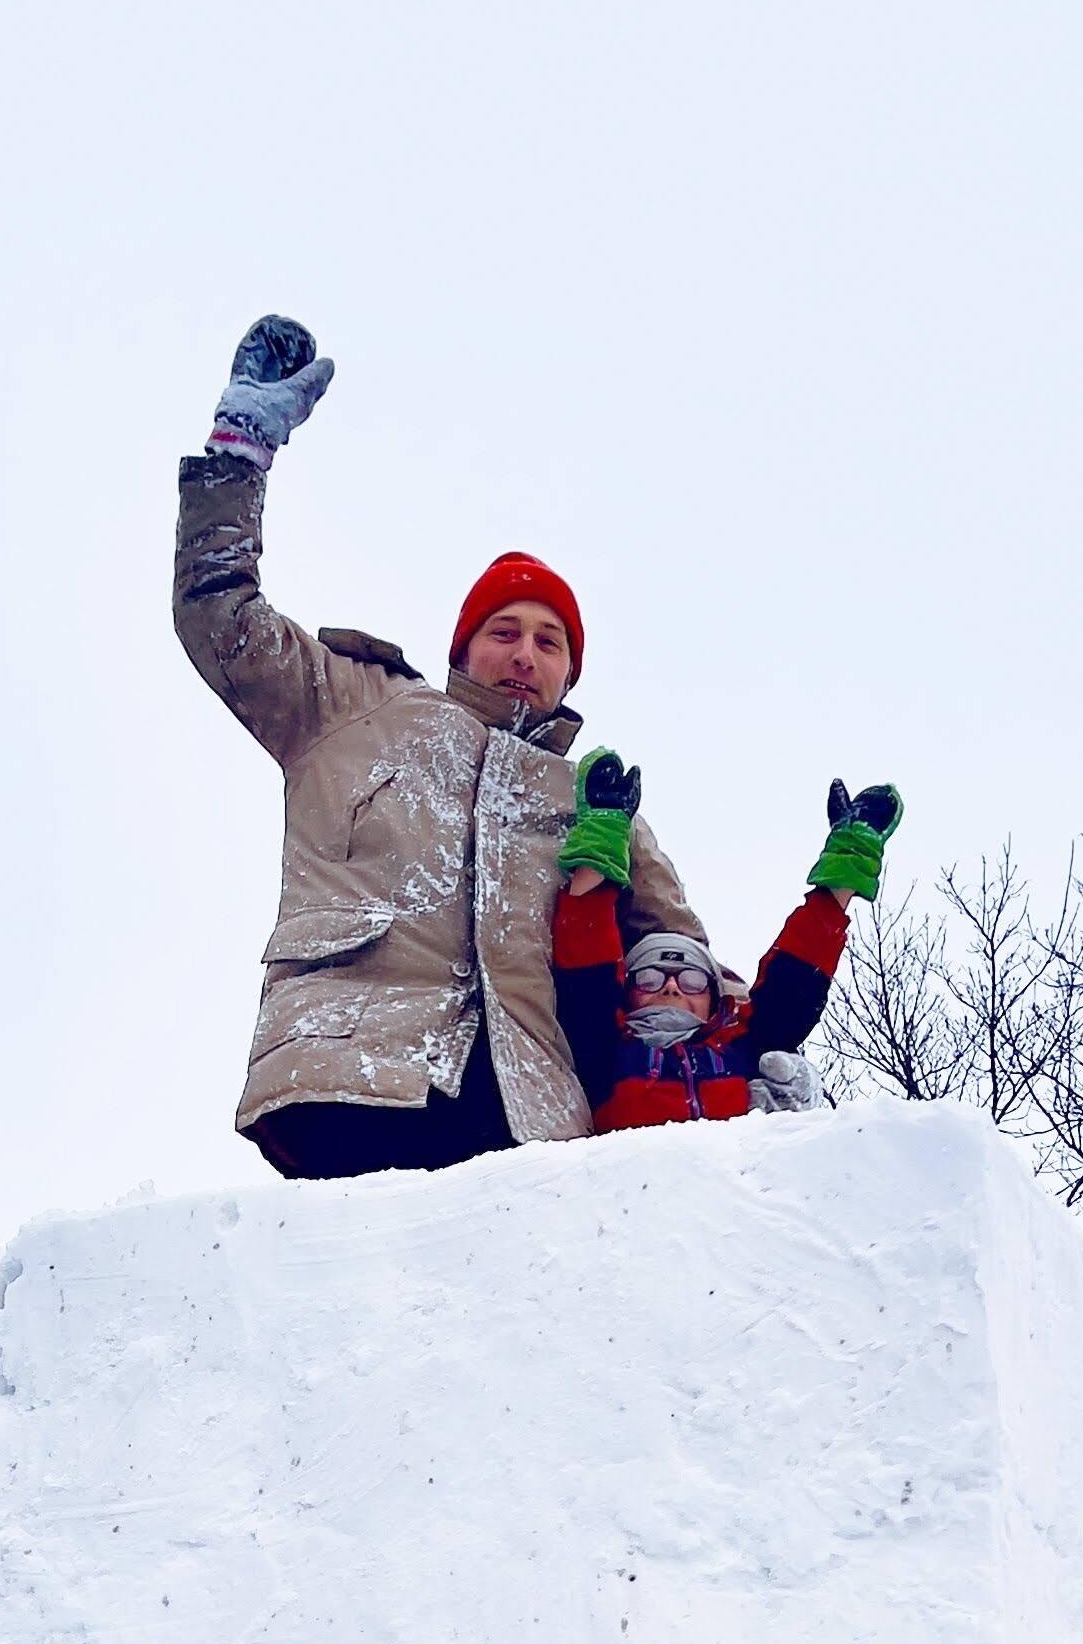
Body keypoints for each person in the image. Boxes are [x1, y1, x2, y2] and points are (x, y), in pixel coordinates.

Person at [175, 316, 709, 1177]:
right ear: (463, 648)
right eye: (505, 631)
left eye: (550, 641)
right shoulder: (355, 703)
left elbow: (676, 966)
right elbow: (220, 621)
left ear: (571, 673)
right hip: (352, 1072)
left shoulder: (593, 803)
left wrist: (749, 1078)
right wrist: (238, 457)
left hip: (529, 1112)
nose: (525, 654)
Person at [551, 775, 902, 1130]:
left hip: (726, 1181)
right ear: (626, 992)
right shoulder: (607, 1051)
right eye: (650, 978)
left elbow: (793, 983)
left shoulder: (739, 1049)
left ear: (715, 1000)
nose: (671, 988)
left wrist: (841, 879)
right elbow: (586, 970)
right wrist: (599, 848)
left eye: (691, 980)